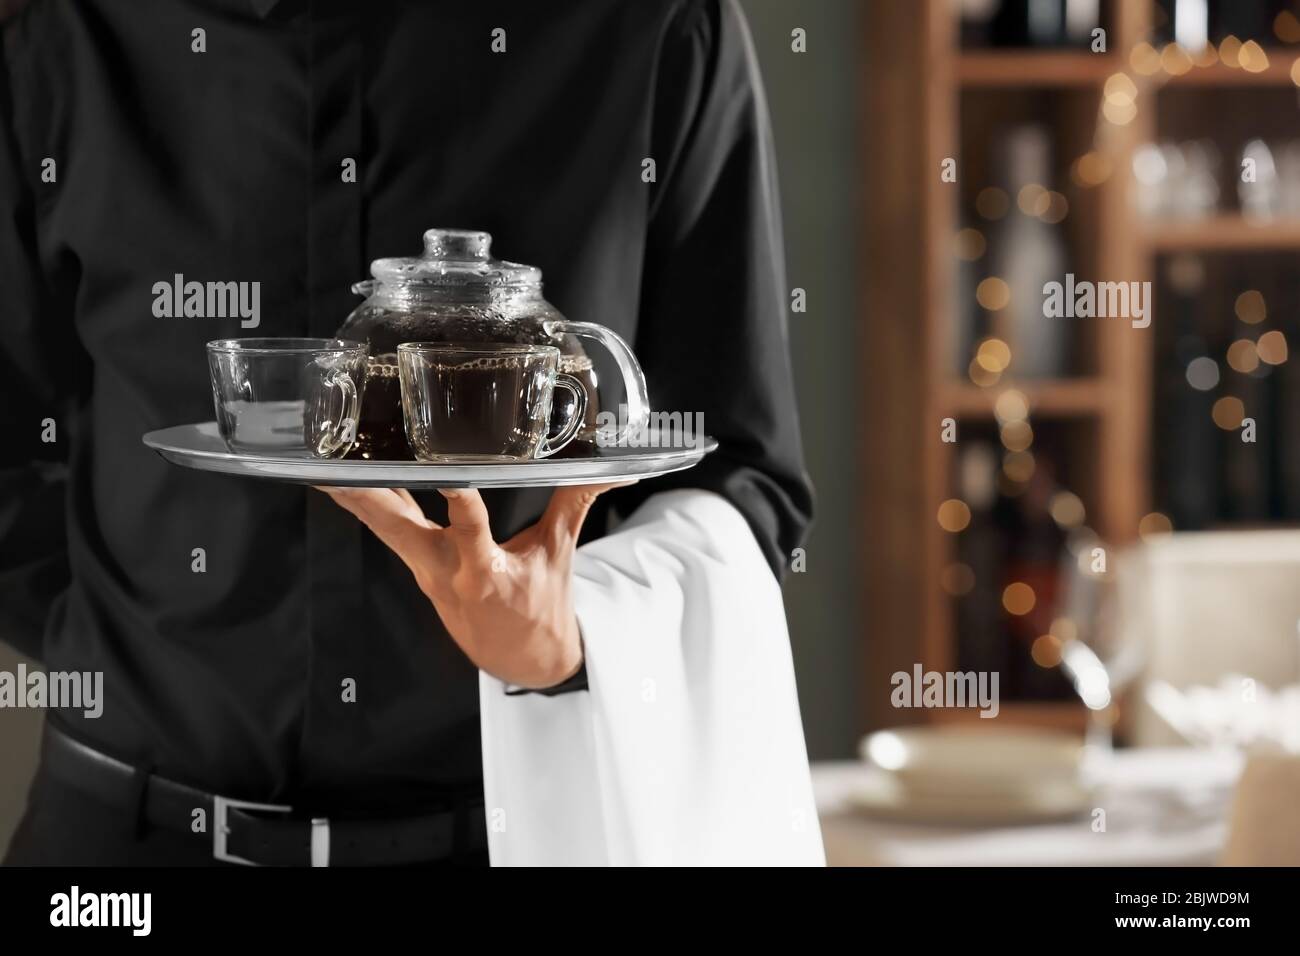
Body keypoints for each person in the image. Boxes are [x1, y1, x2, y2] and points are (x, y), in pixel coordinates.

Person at [0, 0, 816, 866]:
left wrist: (572, 634)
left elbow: (738, 474)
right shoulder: (66, 34)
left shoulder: (658, 24)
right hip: (120, 846)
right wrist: (141, 648)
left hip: (520, 830)